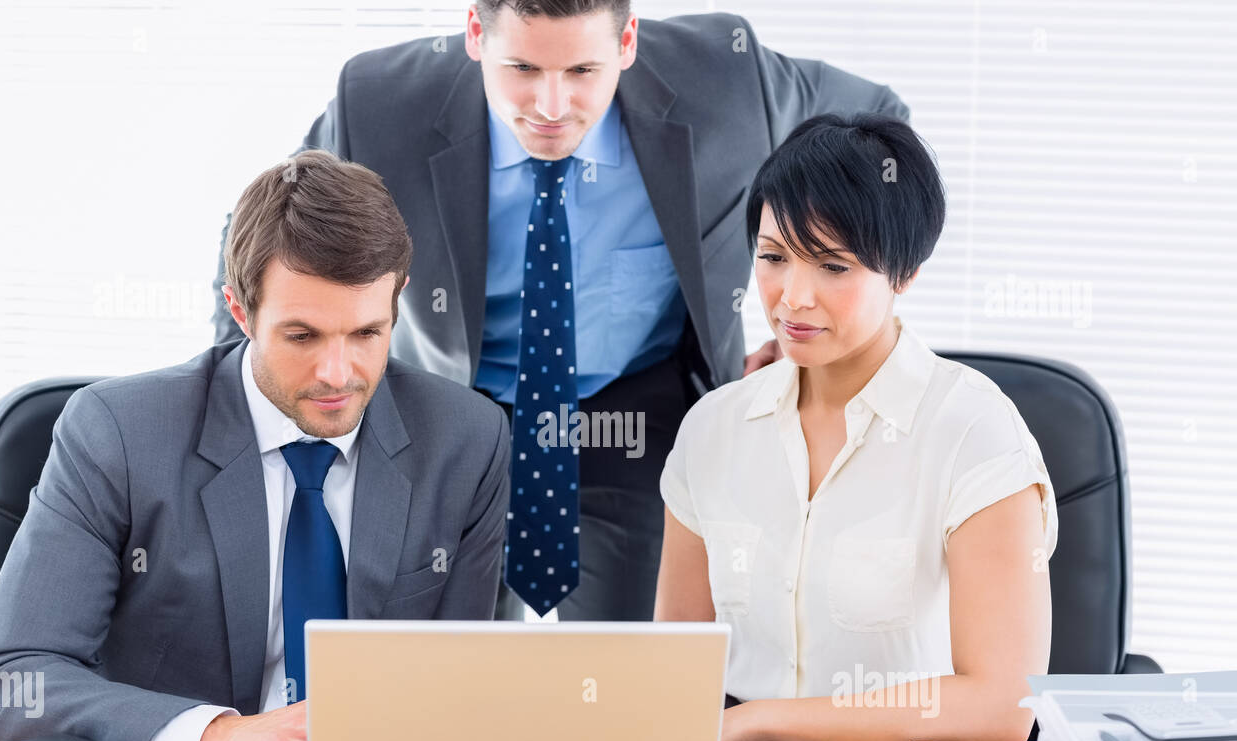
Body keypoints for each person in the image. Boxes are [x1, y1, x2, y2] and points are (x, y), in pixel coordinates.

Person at [208, 2, 910, 621]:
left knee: (631, 680)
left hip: (633, 404)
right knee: (432, 678)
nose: (550, 104)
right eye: (521, 68)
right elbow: (265, 230)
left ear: (627, 41)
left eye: (581, 71)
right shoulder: (379, 102)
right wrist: (237, 410)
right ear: (475, 35)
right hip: (452, 406)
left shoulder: (726, 75)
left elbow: (879, 134)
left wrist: (828, 322)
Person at [0, 150, 510, 741]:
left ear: (398, 302)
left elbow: (463, 685)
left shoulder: (466, 440)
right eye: (302, 336)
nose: (339, 375)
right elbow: (4, 686)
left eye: (366, 334)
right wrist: (217, 737)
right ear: (241, 311)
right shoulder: (117, 433)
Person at [655, 113, 1058, 741]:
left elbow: (1001, 704)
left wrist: (759, 721)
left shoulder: (973, 432)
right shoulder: (713, 429)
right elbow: (671, 671)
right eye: (774, 258)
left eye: (833, 266)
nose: (793, 297)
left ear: (905, 273)